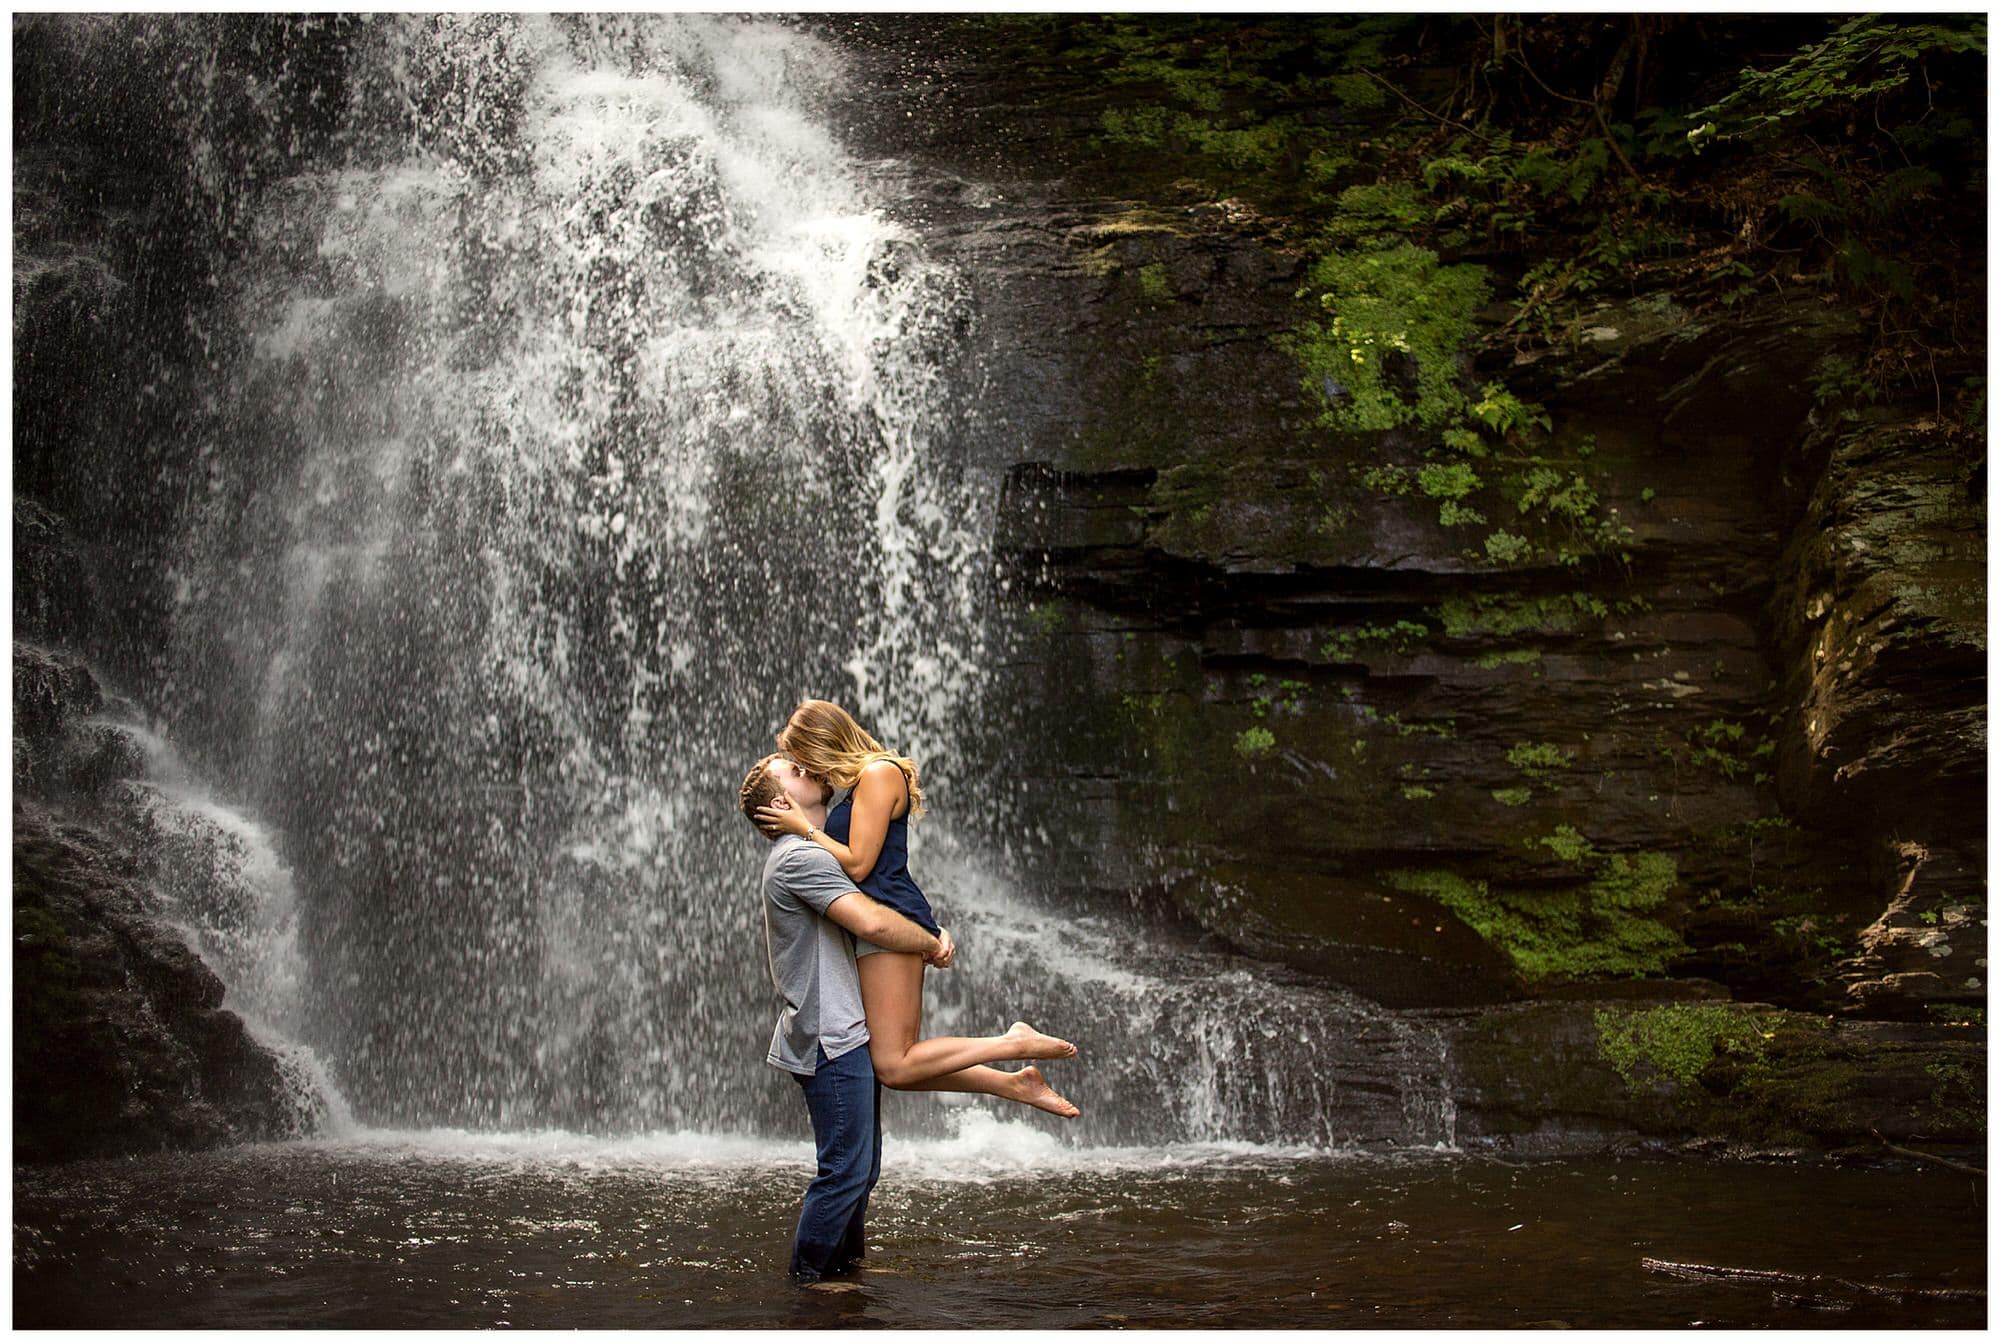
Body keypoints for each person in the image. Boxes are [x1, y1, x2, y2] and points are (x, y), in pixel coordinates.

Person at [739, 752, 1074, 1285]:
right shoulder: (799, 857)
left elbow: (877, 885)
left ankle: (844, 1273)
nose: (808, 769)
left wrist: (924, 928)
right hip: (828, 1036)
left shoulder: (810, 851)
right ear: (780, 803)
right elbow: (872, 921)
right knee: (844, 1172)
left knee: (859, 1170)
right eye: (795, 772)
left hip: (841, 1031)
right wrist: (930, 941)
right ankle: (811, 1284)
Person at [755, 700, 1079, 1108]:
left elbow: (858, 864)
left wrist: (803, 828)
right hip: (879, 917)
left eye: (804, 759)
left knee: (895, 1063)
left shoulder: (879, 774)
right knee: (893, 1066)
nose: (808, 770)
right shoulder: (859, 786)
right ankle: (1013, 1083)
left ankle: (1013, 1043)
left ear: (822, 741)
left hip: (890, 916)